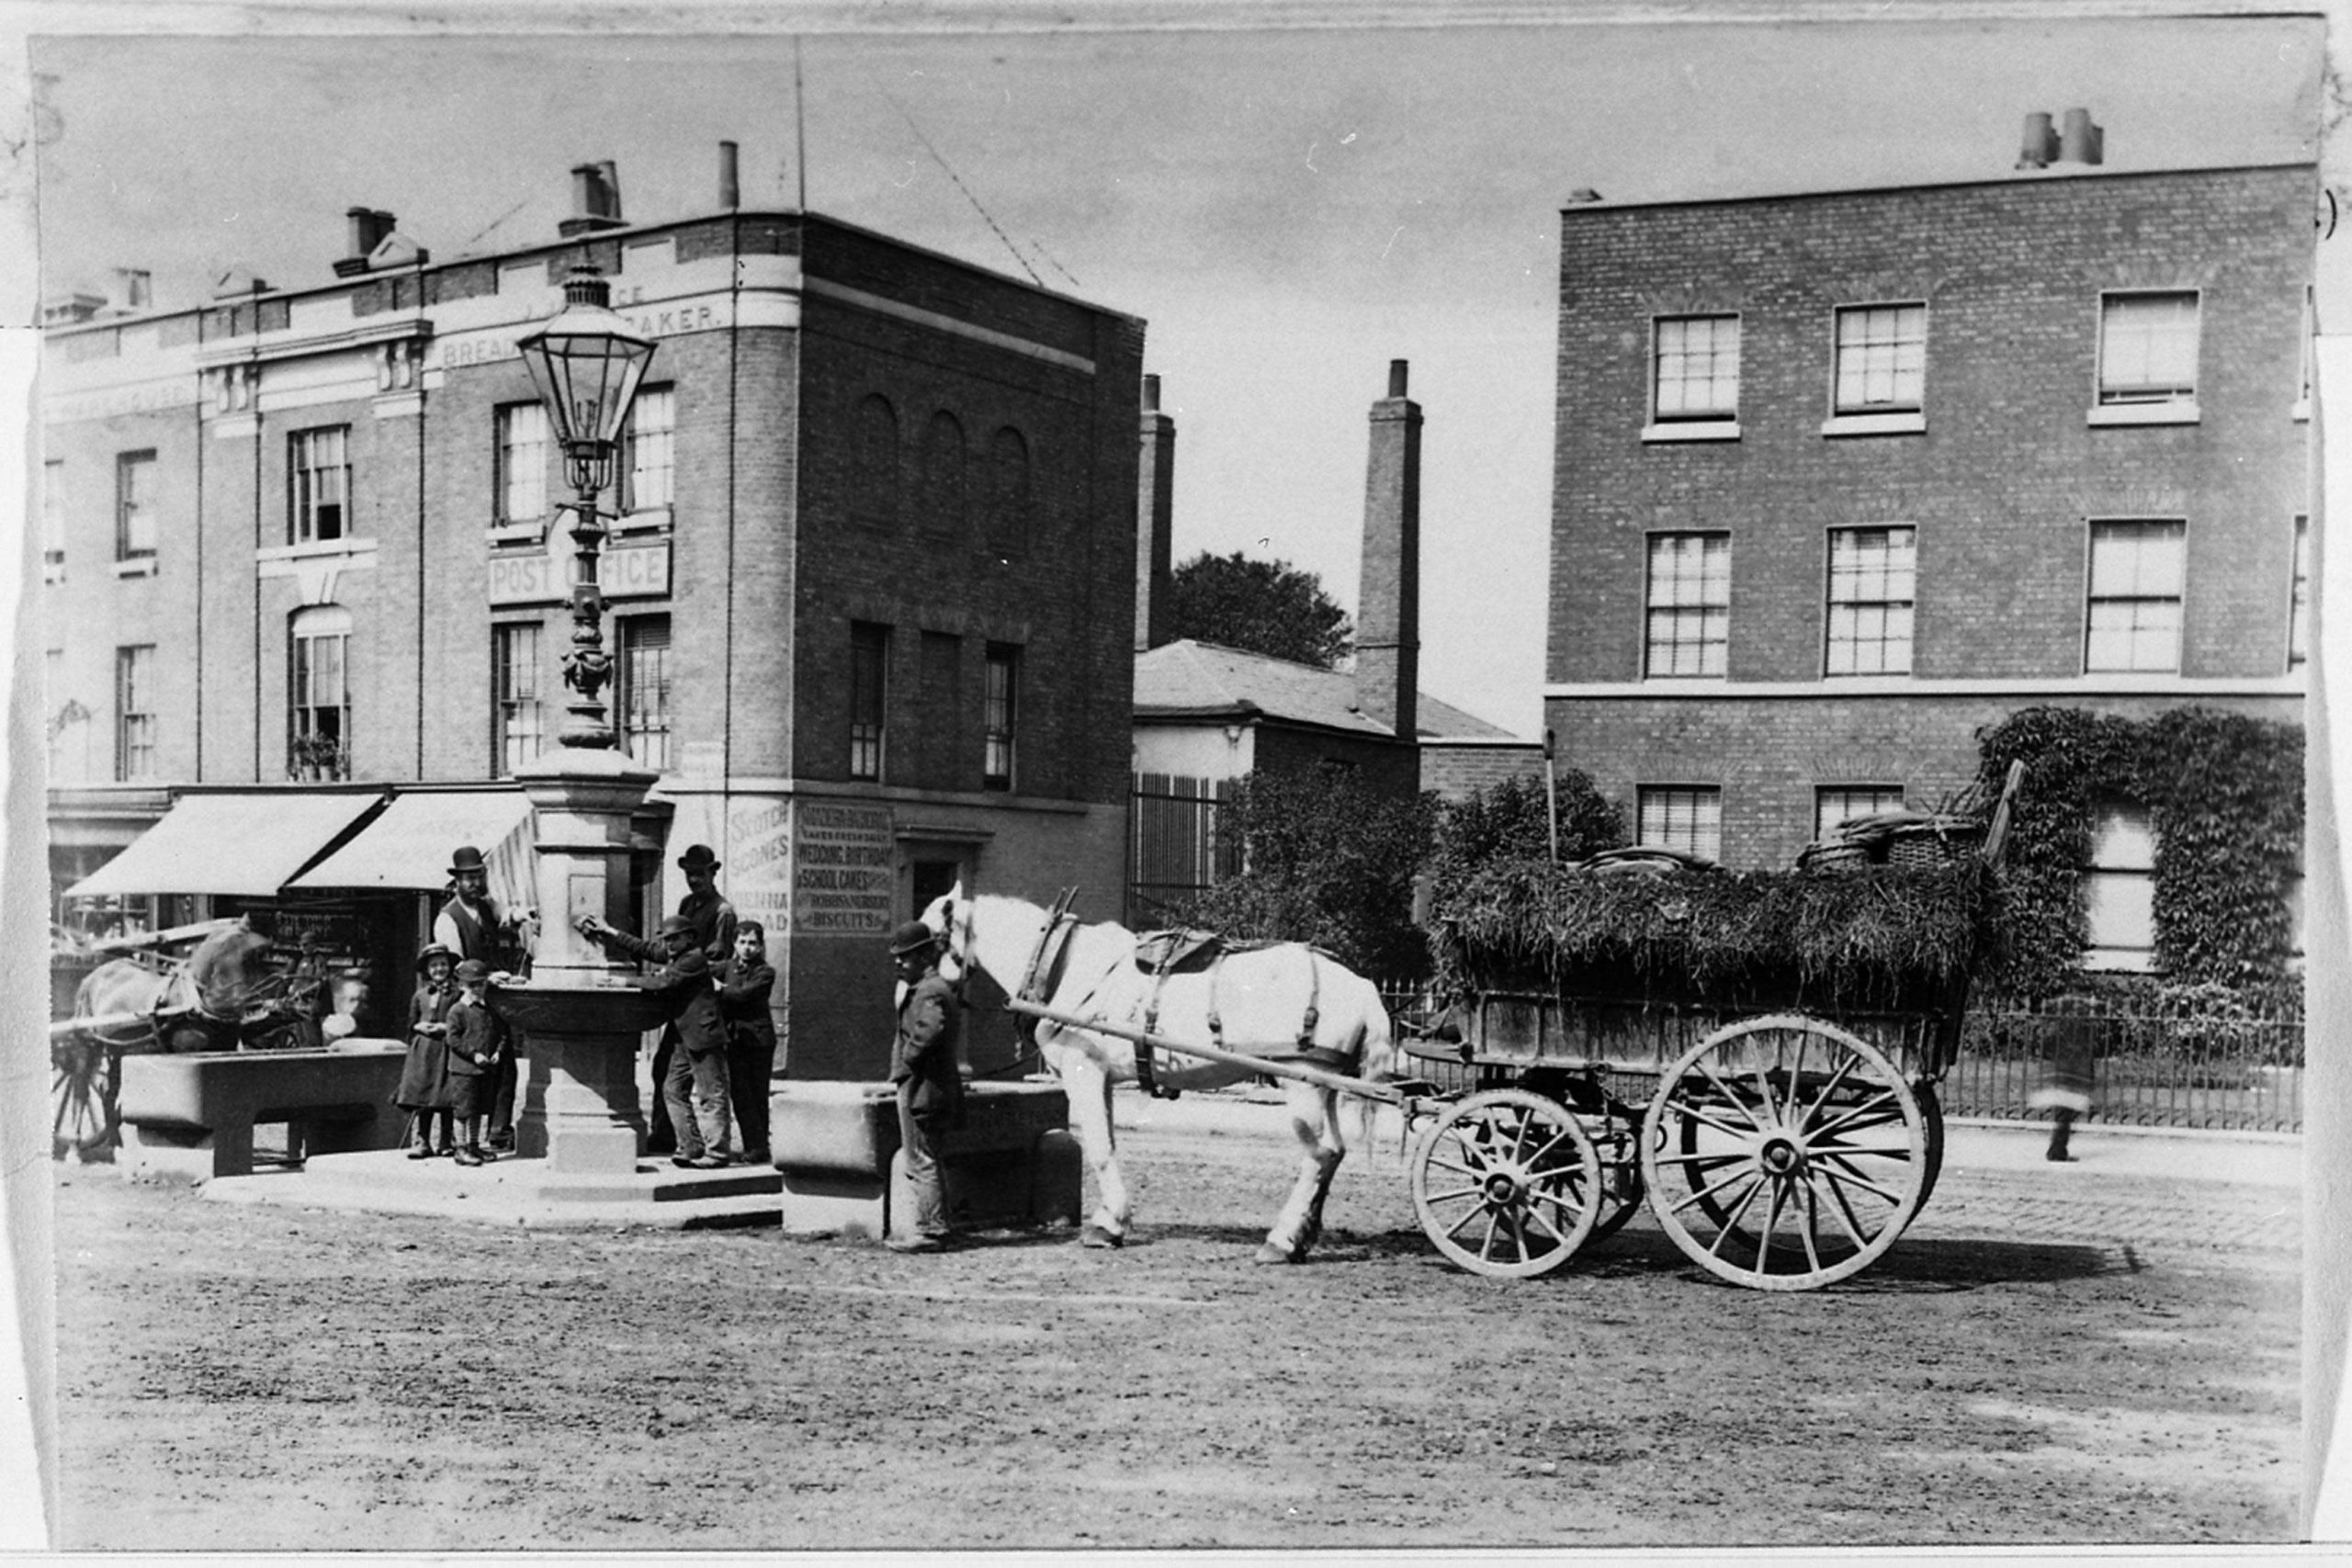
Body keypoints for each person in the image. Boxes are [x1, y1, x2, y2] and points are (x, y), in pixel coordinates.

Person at [578, 911, 733, 1168]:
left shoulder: (693, 959)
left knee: (711, 1094)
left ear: (689, 938)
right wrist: (609, 931)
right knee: (672, 1088)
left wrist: (622, 982)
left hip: (702, 1034)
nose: (669, 944)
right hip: (684, 1034)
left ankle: (717, 1153)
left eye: (675, 938)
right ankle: (690, 1145)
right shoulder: (677, 955)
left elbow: (663, 981)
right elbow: (645, 948)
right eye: (667, 939)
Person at [635, 844, 739, 1156]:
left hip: (704, 1004)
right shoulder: (687, 904)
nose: (694, 880)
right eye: (689, 875)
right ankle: (671, 1137)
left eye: (699, 874)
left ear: (713, 872)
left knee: (709, 1085)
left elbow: (716, 960)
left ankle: (714, 1148)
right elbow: (668, 950)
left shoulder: (723, 912)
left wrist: (681, 968)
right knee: (664, 1072)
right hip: (683, 1008)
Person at [435, 845, 531, 1152]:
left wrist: (522, 915)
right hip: (469, 1003)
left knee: (505, 1067)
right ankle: (462, 1139)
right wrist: (489, 978)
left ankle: (499, 1132)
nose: (475, 883)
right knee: (469, 1070)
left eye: (479, 876)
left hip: (494, 1001)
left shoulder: (487, 905)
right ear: (457, 881)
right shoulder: (448, 919)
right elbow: (457, 965)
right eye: (469, 879)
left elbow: (505, 915)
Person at [886, 919, 966, 1253]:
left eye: (904, 957)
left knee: (920, 1158)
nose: (898, 963)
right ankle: (936, 1225)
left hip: (923, 1085)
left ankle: (932, 1230)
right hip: (928, 1083)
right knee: (926, 1155)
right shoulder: (932, 987)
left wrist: (908, 1056)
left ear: (923, 956)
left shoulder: (930, 990)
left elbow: (929, 1030)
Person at [717, 920, 778, 1165]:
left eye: (753, 943)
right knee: (740, 1094)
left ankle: (759, 1146)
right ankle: (754, 1144)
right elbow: (702, 970)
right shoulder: (728, 966)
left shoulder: (765, 972)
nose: (747, 948)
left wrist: (718, 990)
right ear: (734, 944)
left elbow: (743, 995)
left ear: (761, 946)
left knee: (757, 1093)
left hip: (758, 1042)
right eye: (742, 942)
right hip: (735, 1040)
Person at [441, 959, 510, 1168]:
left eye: (481, 984)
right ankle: (460, 1148)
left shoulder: (489, 1009)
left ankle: (474, 1145)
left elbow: (502, 1034)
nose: (477, 989)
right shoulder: (457, 1011)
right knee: (463, 1110)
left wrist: (497, 1052)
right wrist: (473, 1055)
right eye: (472, 985)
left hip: (484, 1069)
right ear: (462, 985)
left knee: (478, 1109)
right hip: (464, 1070)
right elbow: (453, 1039)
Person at [394, 944, 458, 1158]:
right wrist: (418, 1027)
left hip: (446, 1048)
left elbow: (462, 1022)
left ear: (450, 967)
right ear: (427, 970)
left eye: (443, 964)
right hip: (423, 1051)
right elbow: (411, 1024)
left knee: (446, 1093)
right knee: (423, 1095)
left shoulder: (457, 994)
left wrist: (444, 1027)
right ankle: (422, 1141)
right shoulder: (420, 995)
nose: (439, 969)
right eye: (434, 966)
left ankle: (446, 1140)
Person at [2033, 991, 2099, 1162]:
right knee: (2065, 1116)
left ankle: (2057, 1150)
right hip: (2071, 1074)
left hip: (2065, 1073)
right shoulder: (2080, 1028)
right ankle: (2057, 1151)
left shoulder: (2061, 1027)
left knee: (2064, 1115)